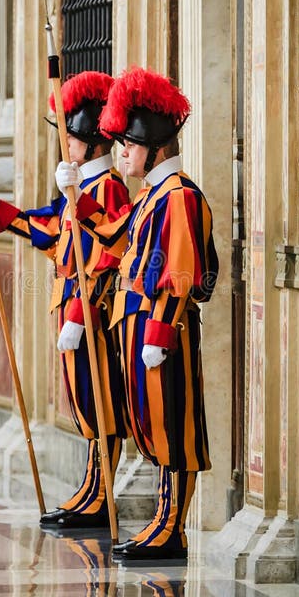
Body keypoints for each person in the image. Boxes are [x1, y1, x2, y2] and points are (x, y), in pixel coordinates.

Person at [55, 66, 218, 560]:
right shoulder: (152, 197)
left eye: (128, 141)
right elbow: (117, 237)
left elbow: (183, 272)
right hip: (142, 330)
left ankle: (172, 527)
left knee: (174, 429)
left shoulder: (180, 196)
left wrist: (159, 330)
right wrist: (77, 201)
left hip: (160, 332)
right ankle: (161, 521)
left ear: (157, 147)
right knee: (152, 426)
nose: (120, 150)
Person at [0, 71, 130, 530]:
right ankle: (91, 487)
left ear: (94, 144)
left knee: (100, 404)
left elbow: (104, 258)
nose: (66, 146)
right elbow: (50, 228)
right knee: (82, 403)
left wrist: (78, 314)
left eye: (72, 139)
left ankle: (100, 493)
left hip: (93, 313)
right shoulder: (78, 188)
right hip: (71, 309)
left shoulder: (109, 188)